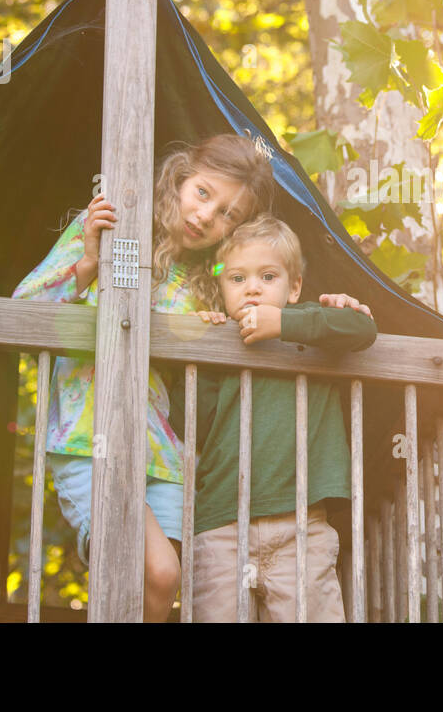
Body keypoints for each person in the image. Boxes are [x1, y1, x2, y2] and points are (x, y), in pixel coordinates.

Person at [11, 134, 368, 621]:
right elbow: (21, 316)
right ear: (179, 176)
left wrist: (214, 334)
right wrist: (89, 264)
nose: (207, 217)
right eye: (203, 194)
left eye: (228, 215)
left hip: (164, 451)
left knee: (157, 585)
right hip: (89, 434)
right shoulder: (111, 231)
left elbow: (265, 297)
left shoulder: (214, 278)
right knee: (155, 572)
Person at [175, 213, 376, 622]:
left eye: (268, 277)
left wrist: (284, 322)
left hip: (302, 526)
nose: (252, 288)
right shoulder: (217, 341)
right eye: (237, 279)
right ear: (222, 289)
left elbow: (362, 330)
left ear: (294, 286)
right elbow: (187, 419)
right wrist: (199, 346)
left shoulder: (311, 332)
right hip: (220, 525)